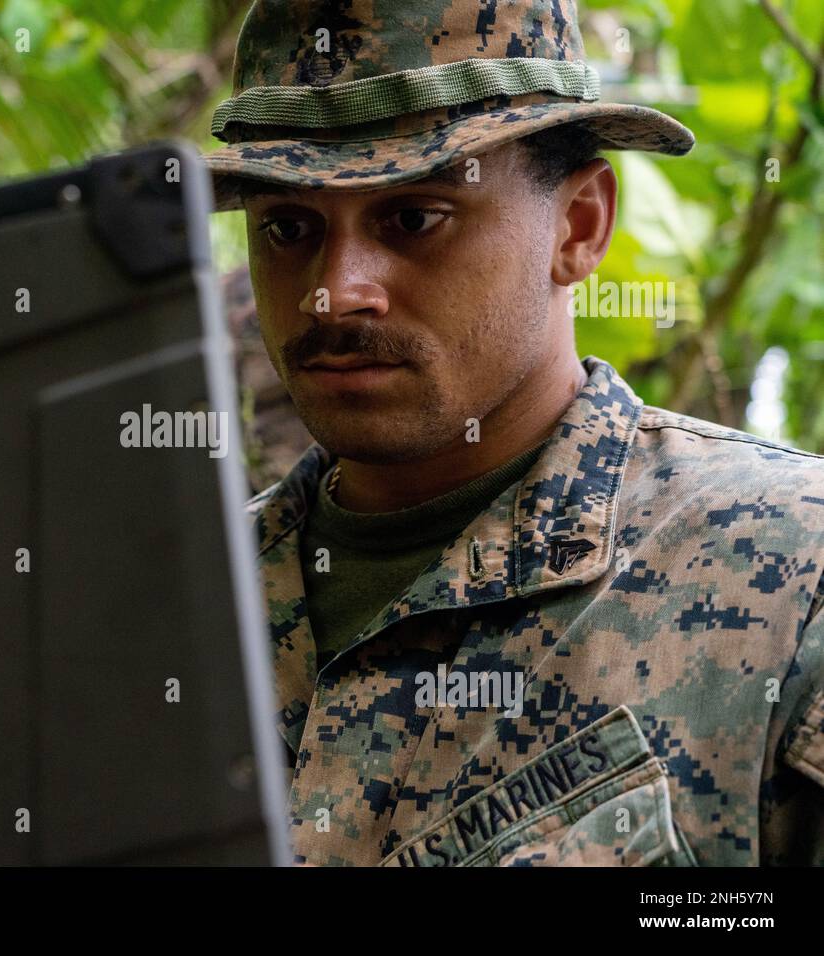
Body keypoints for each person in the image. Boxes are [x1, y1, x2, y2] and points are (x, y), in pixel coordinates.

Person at [204, 0, 824, 866]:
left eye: (413, 218)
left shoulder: (791, 576)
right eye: (288, 228)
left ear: (579, 227)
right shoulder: (165, 614)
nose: (336, 292)